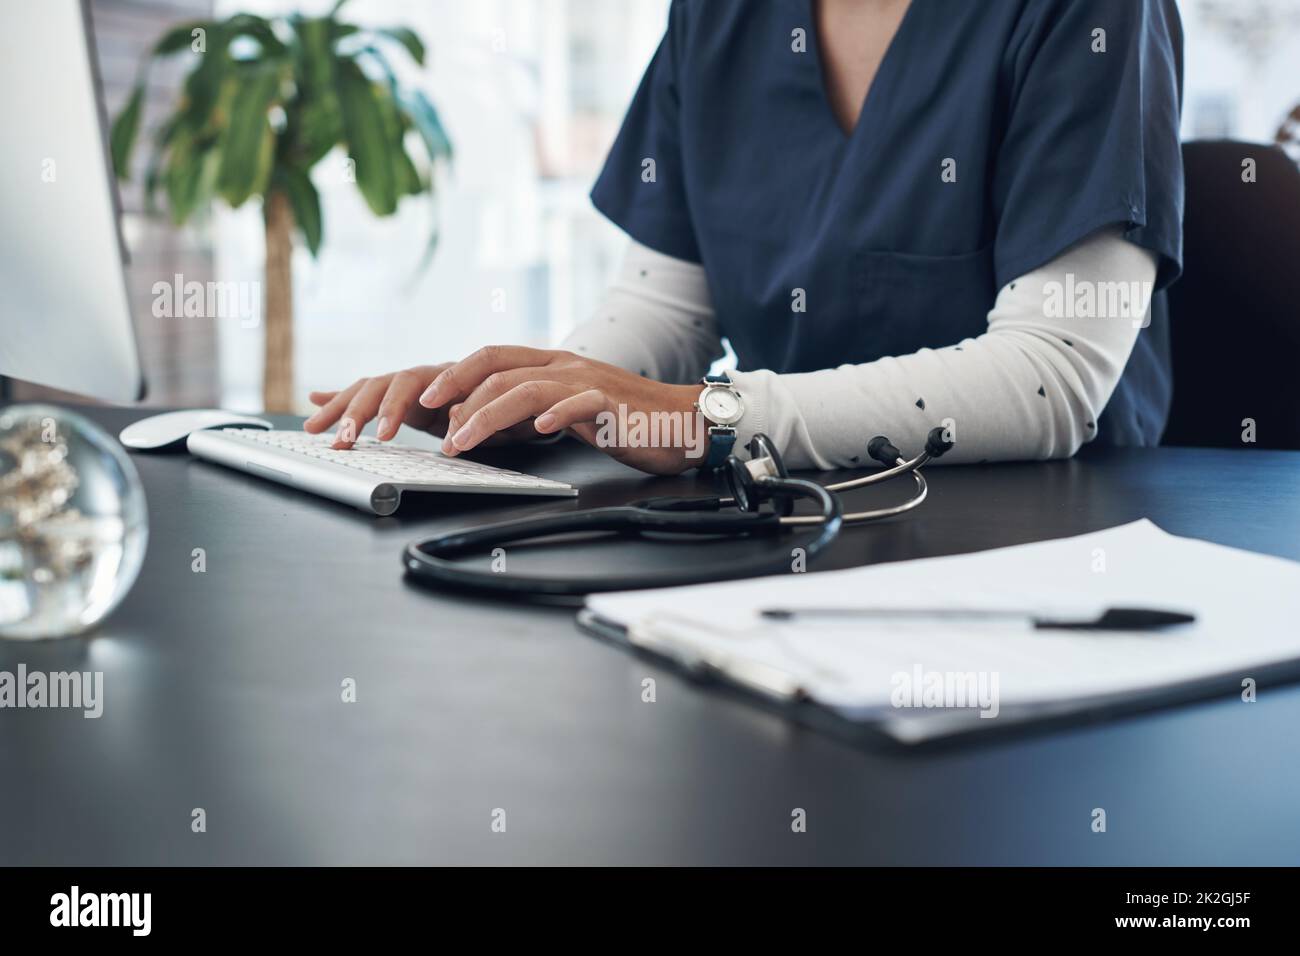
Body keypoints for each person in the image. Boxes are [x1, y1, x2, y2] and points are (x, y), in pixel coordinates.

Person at [304, 0, 1184, 476]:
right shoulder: (717, 17)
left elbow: (1052, 378)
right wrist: (538, 396)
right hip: (775, 526)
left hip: (1037, 551)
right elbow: (667, 312)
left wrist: (711, 418)